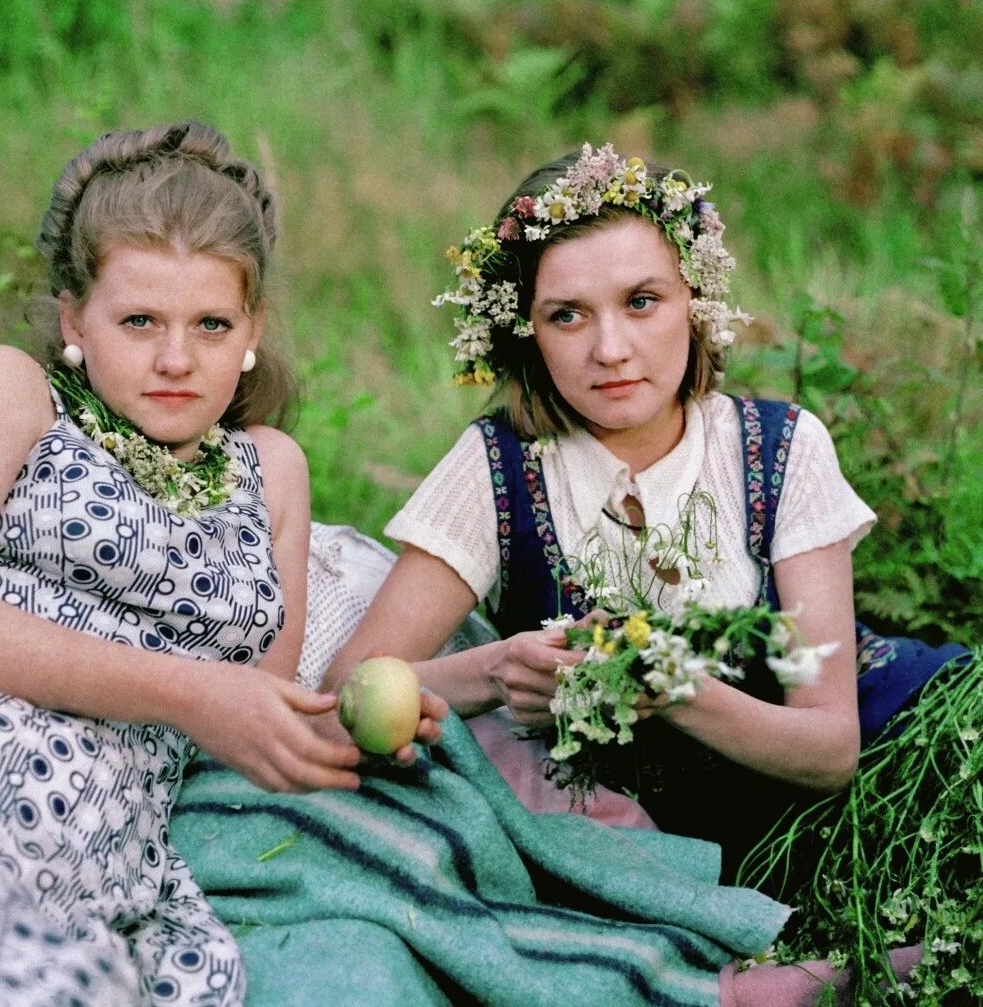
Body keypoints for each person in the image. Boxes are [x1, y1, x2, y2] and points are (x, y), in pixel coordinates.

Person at [0, 119, 370, 1006]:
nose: (177, 359)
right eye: (138, 320)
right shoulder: (10, 392)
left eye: (211, 323)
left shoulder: (272, 471)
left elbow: (262, 713)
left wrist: (447, 686)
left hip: (82, 842)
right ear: (74, 319)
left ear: (252, 327)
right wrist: (189, 692)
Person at [320, 144, 971, 904]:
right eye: (567, 315)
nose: (611, 349)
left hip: (865, 783)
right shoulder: (499, 465)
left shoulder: (780, 446)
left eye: (641, 301)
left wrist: (667, 688)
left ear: (693, 303)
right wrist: (494, 671)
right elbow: (350, 689)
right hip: (647, 843)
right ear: (526, 331)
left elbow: (830, 747)